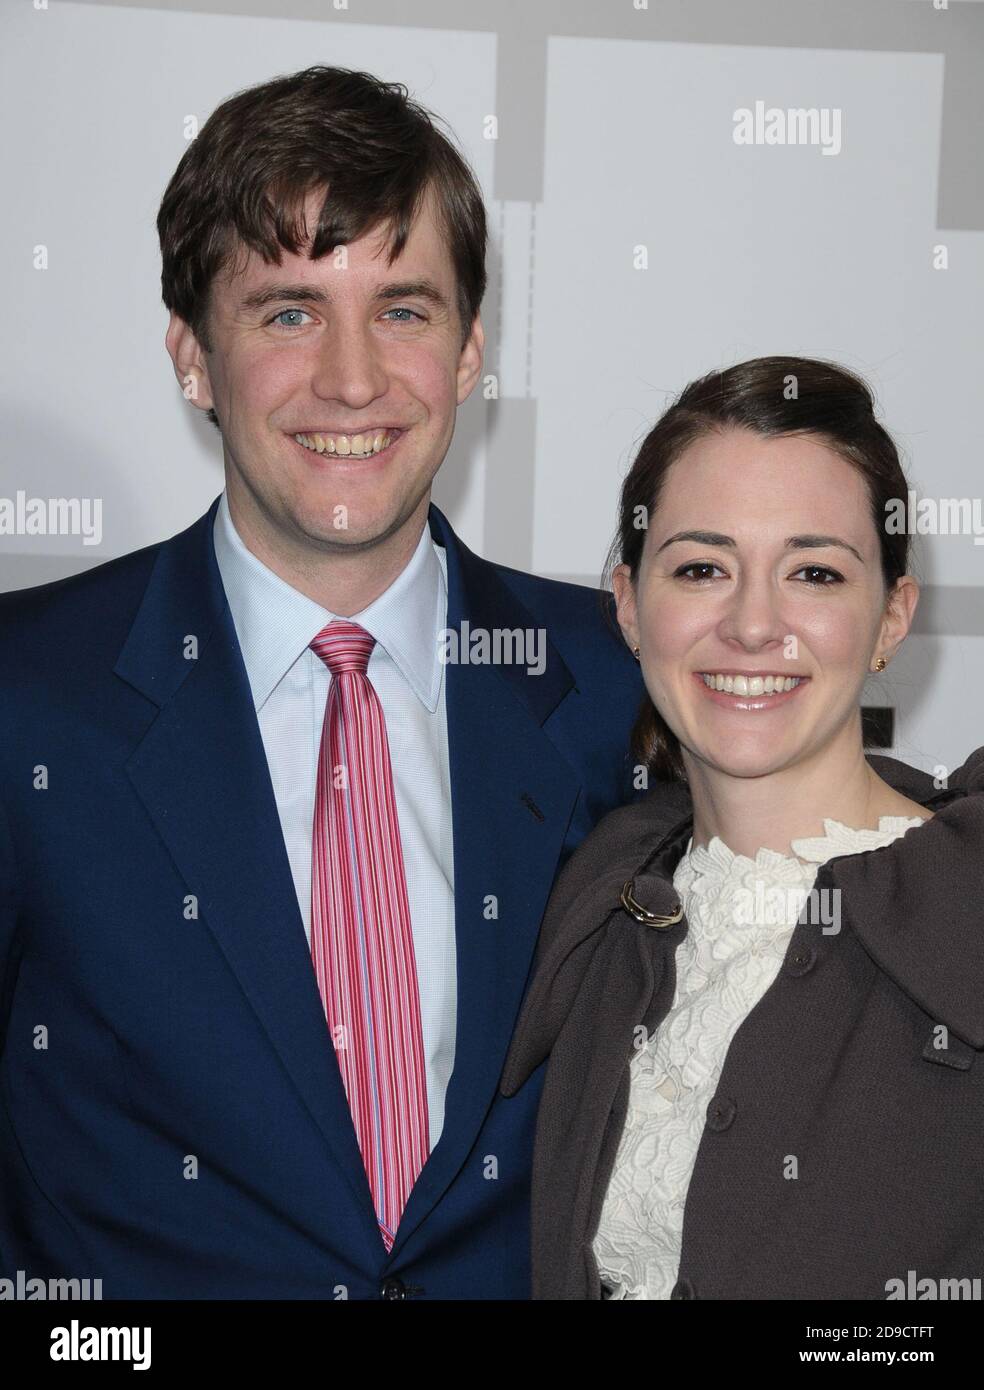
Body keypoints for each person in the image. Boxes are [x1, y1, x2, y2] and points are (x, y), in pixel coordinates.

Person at [0, 66, 645, 1300]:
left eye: (404, 310)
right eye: (290, 312)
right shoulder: (27, 694)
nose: (353, 379)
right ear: (193, 355)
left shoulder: (622, 678)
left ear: (468, 354)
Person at [500, 355, 984, 1300]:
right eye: (702, 568)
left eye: (813, 572)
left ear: (892, 616)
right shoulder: (597, 909)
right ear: (630, 605)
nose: (754, 624)